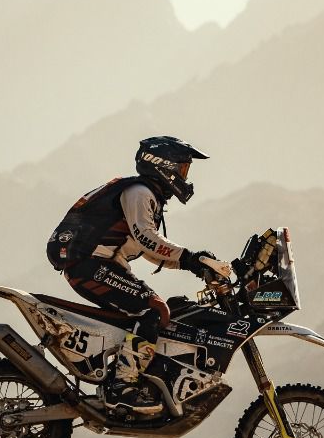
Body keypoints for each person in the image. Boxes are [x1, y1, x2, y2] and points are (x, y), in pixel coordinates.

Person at [44, 136, 230, 416]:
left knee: (156, 311)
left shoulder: (142, 193)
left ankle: (128, 374)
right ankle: (121, 386)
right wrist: (191, 258)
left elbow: (149, 251)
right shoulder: (140, 192)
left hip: (98, 265)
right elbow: (147, 238)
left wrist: (194, 266)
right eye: (182, 169)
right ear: (162, 165)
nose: (185, 177)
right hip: (90, 265)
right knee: (153, 309)